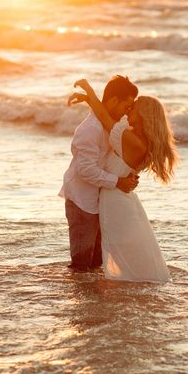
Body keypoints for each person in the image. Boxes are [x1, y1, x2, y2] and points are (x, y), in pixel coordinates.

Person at [68, 78, 178, 283]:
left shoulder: (131, 140)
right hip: (113, 196)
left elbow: (104, 117)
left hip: (115, 199)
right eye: (128, 105)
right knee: (114, 249)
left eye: (132, 108)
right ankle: (99, 290)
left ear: (143, 115)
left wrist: (90, 94)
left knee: (116, 248)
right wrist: (91, 98)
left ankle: (111, 285)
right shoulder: (135, 137)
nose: (128, 111)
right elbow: (103, 117)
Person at [59, 75, 139, 272]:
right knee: (81, 263)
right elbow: (86, 170)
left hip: (99, 200)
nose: (127, 111)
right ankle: (79, 300)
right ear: (113, 101)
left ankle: (93, 301)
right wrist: (118, 182)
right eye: (126, 105)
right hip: (82, 201)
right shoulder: (90, 130)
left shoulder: (112, 125)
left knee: (96, 262)